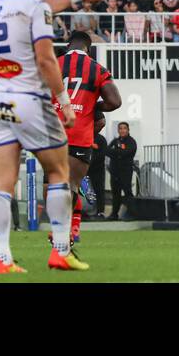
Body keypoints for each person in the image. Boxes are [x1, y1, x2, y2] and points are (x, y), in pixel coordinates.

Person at [0, 0, 102, 273]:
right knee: (60, 173)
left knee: (3, 181)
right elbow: (47, 60)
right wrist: (62, 101)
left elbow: (45, 5)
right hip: (30, 100)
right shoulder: (35, 8)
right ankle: (60, 251)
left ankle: (2, 259)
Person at [56, 31, 121, 246]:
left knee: (55, 187)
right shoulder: (97, 69)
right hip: (79, 136)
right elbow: (114, 102)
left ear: (67, 46)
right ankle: (70, 231)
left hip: (53, 135)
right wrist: (91, 106)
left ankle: (62, 230)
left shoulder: (54, 64)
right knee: (73, 186)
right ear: (88, 49)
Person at [108, 121, 138, 220]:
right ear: (118, 130)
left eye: (124, 128)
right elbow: (107, 151)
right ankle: (114, 214)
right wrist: (119, 153)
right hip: (114, 171)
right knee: (115, 193)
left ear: (128, 130)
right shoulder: (115, 141)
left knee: (127, 192)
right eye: (120, 128)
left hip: (125, 171)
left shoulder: (131, 141)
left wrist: (116, 152)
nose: (122, 130)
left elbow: (128, 152)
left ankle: (132, 214)